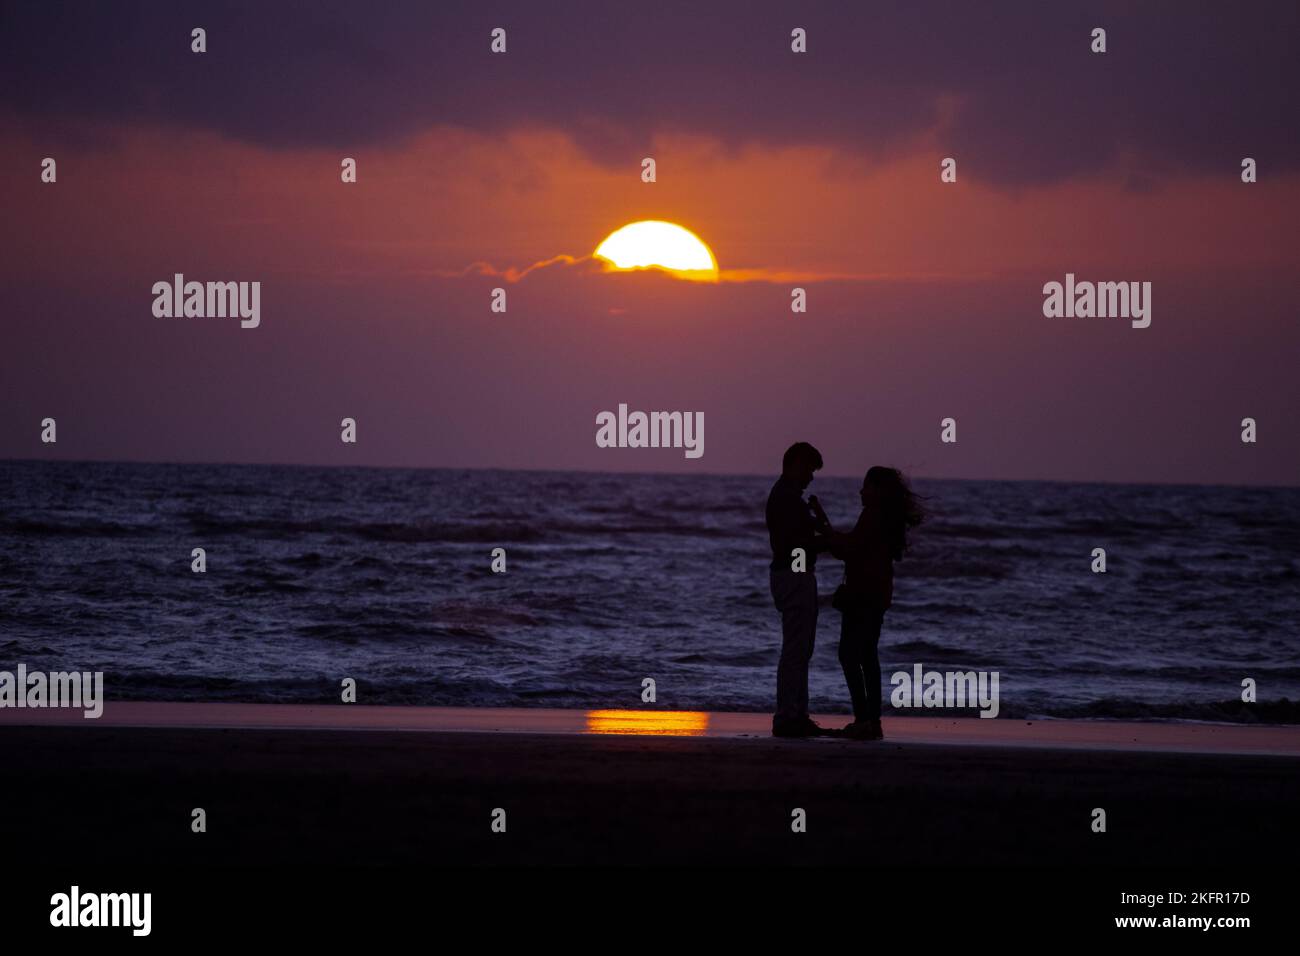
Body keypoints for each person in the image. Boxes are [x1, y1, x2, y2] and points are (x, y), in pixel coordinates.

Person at [827, 466, 925, 741]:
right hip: (877, 596)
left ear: (877, 490)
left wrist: (828, 537)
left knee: (848, 655)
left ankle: (863, 719)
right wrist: (833, 537)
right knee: (868, 656)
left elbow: (851, 550)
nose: (861, 491)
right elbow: (857, 548)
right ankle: (872, 721)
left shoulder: (872, 516)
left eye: (866, 486)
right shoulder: (886, 519)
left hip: (862, 596)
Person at [766, 442, 834, 738]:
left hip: (793, 574)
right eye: (809, 469)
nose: (811, 477)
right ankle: (788, 715)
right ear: (795, 464)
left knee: (800, 648)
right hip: (794, 576)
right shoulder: (787, 500)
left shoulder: (787, 497)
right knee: (796, 648)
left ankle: (796, 713)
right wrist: (831, 541)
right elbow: (797, 545)